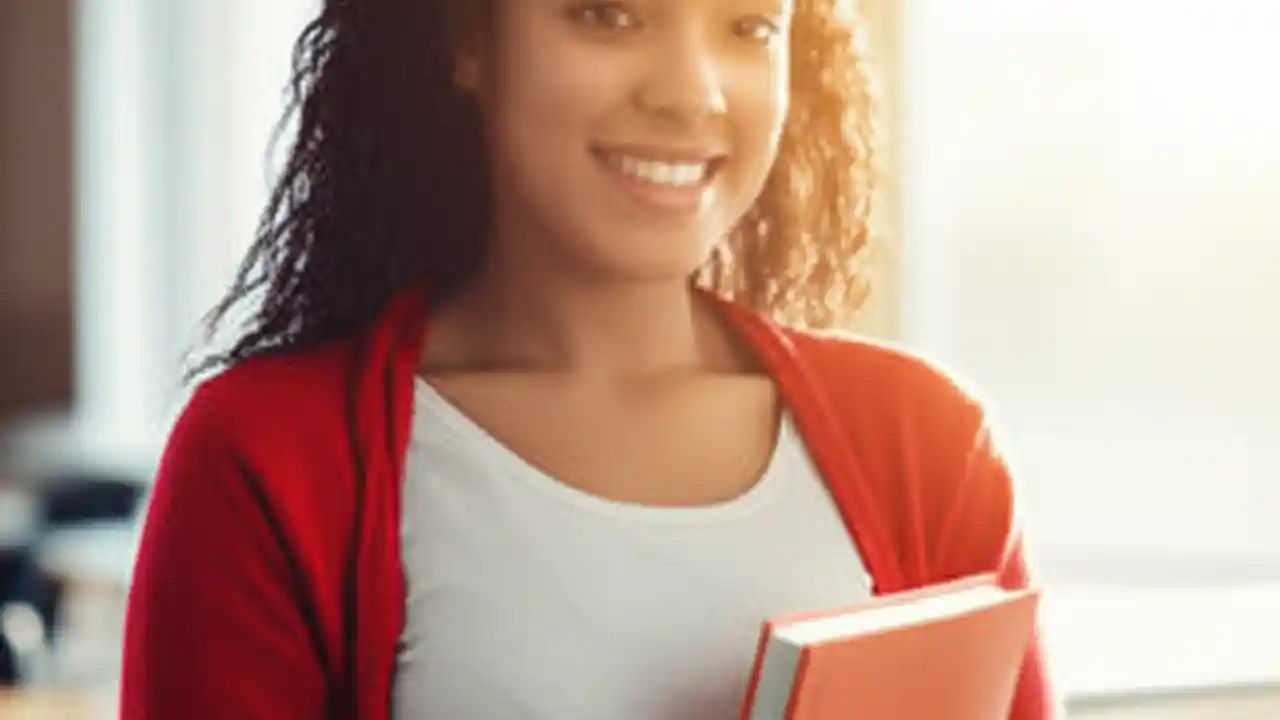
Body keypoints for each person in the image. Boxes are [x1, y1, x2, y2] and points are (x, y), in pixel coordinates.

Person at [120, 0, 1059, 717]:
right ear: (468, 41)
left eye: (748, 25)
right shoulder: (265, 459)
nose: (692, 92)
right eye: (608, 14)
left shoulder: (929, 445)